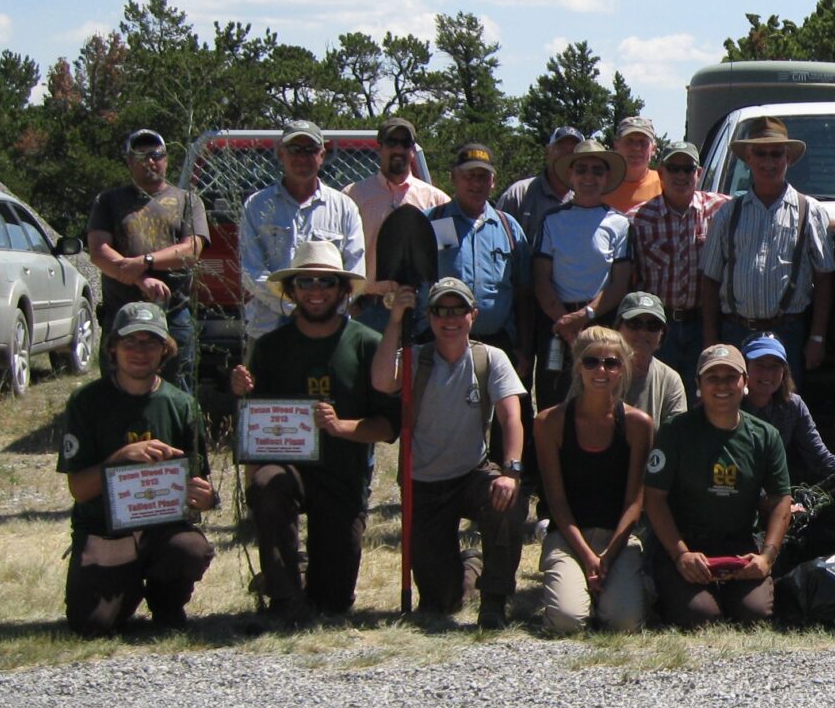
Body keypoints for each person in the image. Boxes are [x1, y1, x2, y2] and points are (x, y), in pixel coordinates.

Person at [231, 241, 398, 623]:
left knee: (333, 602)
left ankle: (307, 577)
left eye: (326, 282)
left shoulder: (367, 345)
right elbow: (255, 426)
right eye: (305, 282)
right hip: (289, 471)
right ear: (291, 290)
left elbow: (387, 427)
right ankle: (285, 597)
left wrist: (342, 428)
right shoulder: (270, 348)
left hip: (342, 477)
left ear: (342, 290)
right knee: (269, 485)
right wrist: (241, 393)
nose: (316, 290)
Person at [369, 278, 526, 627]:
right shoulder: (415, 358)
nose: (450, 319)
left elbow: (511, 414)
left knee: (507, 500)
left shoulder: (490, 358)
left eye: (458, 310)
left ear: (473, 315)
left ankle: (495, 601)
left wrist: (511, 472)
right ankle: (470, 566)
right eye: (441, 310)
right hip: (424, 483)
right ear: (429, 315)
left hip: (473, 472)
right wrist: (395, 319)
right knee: (441, 601)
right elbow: (382, 381)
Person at [58, 302, 217, 635]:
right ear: (113, 347)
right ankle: (125, 586)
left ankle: (167, 601)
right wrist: (120, 458)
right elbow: (79, 489)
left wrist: (205, 498)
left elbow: (197, 484)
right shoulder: (87, 403)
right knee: (92, 627)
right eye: (130, 341)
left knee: (191, 549)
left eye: (151, 343)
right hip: (104, 529)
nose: (140, 351)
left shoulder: (182, 405)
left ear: (165, 350)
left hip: (162, 529)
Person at [644, 344, 792, 628]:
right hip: (685, 544)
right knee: (701, 617)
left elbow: (780, 499)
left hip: (738, 546)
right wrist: (681, 554)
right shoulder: (676, 431)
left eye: (731, 377)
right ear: (698, 384)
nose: (722, 385)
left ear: (745, 382)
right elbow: (654, 497)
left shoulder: (765, 436)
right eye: (712, 378)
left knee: (754, 614)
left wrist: (766, 557)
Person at [699, 117, 835, 386]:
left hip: (788, 331)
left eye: (776, 154)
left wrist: (817, 337)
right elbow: (710, 279)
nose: (768, 162)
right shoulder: (727, 213)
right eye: (760, 153)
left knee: (786, 407)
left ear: (788, 159)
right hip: (735, 330)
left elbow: (824, 278)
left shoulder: (810, 211)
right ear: (748, 158)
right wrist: (711, 340)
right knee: (733, 408)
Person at [535, 326, 652, 634]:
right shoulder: (549, 422)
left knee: (623, 624)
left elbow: (634, 502)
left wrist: (607, 556)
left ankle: (609, 591)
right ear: (577, 366)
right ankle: (578, 589)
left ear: (623, 368)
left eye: (611, 363)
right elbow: (556, 500)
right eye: (591, 362)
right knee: (565, 623)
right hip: (569, 538)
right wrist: (588, 557)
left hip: (618, 539)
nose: (602, 370)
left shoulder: (639, 424)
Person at [86, 128, 208, 388]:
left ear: (166, 158)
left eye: (156, 154)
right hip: (121, 315)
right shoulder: (108, 201)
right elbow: (98, 251)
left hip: (173, 315)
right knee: (114, 389)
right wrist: (140, 279)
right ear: (129, 162)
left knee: (177, 388)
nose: (150, 161)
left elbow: (191, 251)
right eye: (140, 155)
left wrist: (144, 262)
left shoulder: (188, 201)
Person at [237, 120, 365, 346]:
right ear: (281, 153)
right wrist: (293, 307)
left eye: (311, 150)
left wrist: (320, 311)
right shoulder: (255, 206)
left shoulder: (345, 208)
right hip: (268, 328)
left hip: (330, 329)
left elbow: (355, 271)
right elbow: (250, 270)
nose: (302, 157)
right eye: (295, 149)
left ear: (322, 154)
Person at [530, 139, 632, 412]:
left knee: (601, 403)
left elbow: (619, 282)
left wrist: (584, 316)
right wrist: (564, 321)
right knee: (554, 404)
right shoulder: (551, 220)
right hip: (556, 326)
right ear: (571, 175)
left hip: (601, 324)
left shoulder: (620, 223)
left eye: (597, 170)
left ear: (607, 177)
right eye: (582, 169)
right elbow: (541, 279)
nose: (589, 176)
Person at [627, 140, 730, 397]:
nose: (681, 175)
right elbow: (629, 280)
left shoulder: (723, 209)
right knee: (653, 395)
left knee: (702, 398)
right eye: (674, 168)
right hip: (657, 327)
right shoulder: (636, 219)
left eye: (688, 169)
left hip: (704, 324)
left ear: (699, 173)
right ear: (661, 172)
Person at [344, 117, 450, 331]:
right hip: (368, 311)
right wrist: (354, 305)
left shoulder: (437, 200)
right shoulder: (353, 195)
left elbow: (446, 257)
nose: (399, 149)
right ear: (379, 147)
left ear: (413, 150)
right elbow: (339, 255)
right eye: (392, 142)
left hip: (420, 312)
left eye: (405, 144)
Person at [428, 143, 528, 352]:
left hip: (498, 343)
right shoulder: (436, 221)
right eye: (468, 175)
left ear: (493, 182)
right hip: (442, 342)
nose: (476, 183)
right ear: (453, 178)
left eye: (482, 176)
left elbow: (524, 292)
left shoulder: (508, 227)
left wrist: (525, 347)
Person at [740, 334, 835, 487]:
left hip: (776, 488)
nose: (768, 374)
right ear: (745, 369)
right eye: (759, 365)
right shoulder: (730, 404)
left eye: (775, 366)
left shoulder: (793, 405)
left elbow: (819, 457)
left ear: (784, 371)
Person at [497, 126, 583, 258]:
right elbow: (496, 242)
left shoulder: (585, 199)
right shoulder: (518, 194)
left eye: (573, 151)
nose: (566, 156)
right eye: (561, 149)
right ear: (548, 152)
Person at [614, 292, 687, 434]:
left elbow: (676, 437)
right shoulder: (597, 369)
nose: (643, 332)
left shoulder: (670, 380)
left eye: (653, 325)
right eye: (634, 324)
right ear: (617, 329)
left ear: (662, 335)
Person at [601, 116, 665, 216]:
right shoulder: (601, 185)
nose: (636, 147)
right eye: (629, 141)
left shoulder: (664, 184)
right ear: (616, 145)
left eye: (642, 142)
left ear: (653, 149)